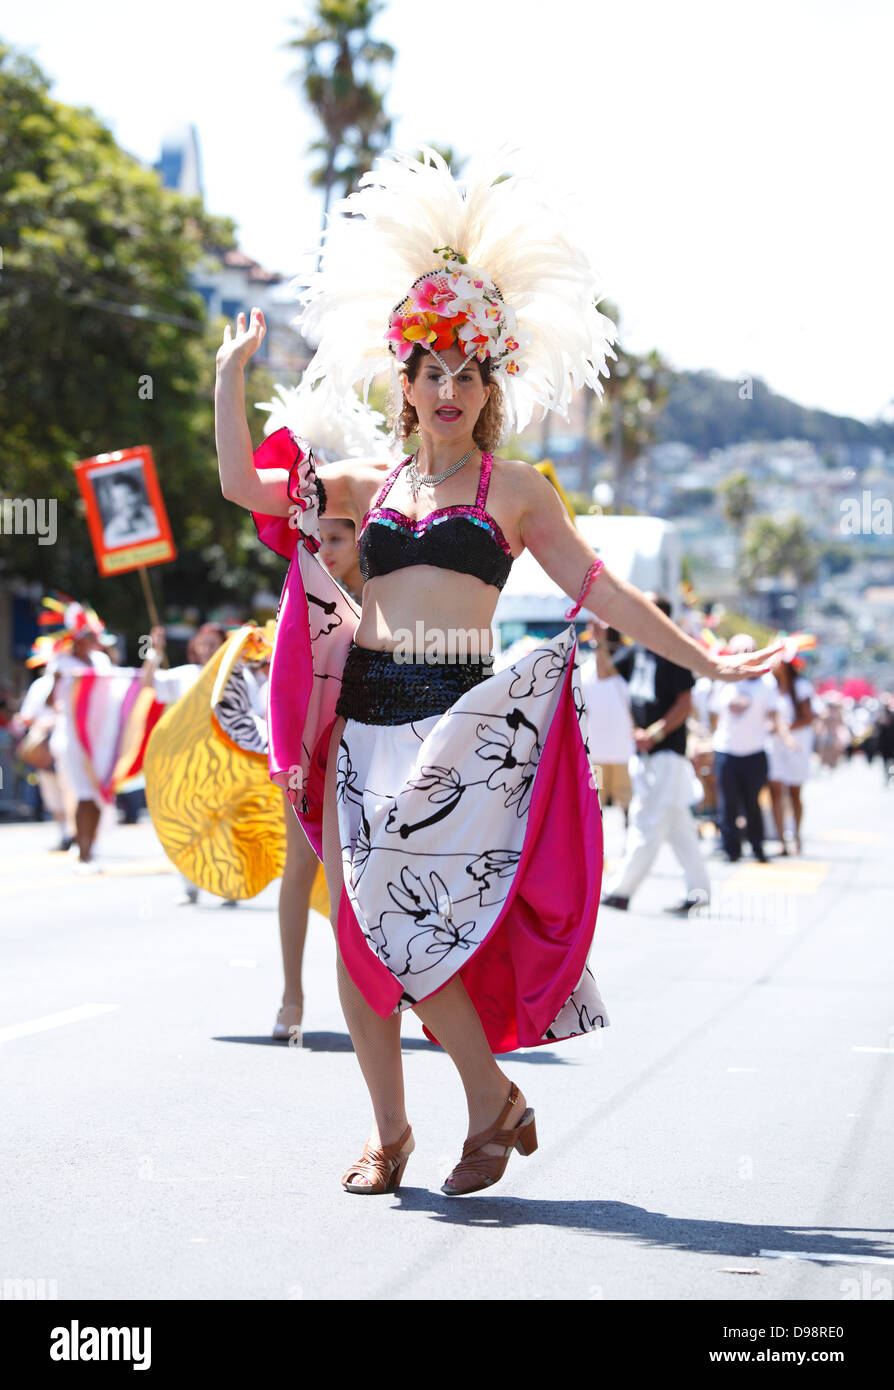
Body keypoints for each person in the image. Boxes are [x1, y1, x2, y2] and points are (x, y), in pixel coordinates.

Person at [215, 149, 781, 1196]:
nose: (447, 389)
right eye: (430, 370)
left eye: (467, 372)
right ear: (406, 379)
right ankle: (396, 1135)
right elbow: (242, 480)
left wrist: (700, 654)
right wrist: (228, 377)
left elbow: (601, 590)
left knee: (404, 915)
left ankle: (490, 1099)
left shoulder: (514, 489)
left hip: (461, 729)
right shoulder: (361, 480)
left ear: (491, 384)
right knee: (362, 938)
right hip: (366, 725)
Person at [599, 593, 714, 916]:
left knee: (646, 821)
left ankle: (621, 890)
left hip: (666, 754)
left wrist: (655, 732)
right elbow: (606, 672)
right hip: (646, 756)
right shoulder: (637, 649)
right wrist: (600, 640)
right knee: (678, 827)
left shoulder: (674, 650)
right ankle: (699, 891)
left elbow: (684, 702)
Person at [707, 634, 788, 863]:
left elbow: (774, 714)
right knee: (728, 803)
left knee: (752, 802)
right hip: (726, 750)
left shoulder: (766, 681)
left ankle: (757, 846)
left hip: (755, 751)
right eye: (739, 652)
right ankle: (731, 848)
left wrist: (782, 733)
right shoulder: (723, 680)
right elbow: (715, 713)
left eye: (748, 650)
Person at [578, 627, 635, 830]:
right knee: (596, 795)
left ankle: (627, 828)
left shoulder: (624, 669)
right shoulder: (585, 672)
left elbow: (606, 672)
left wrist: (601, 641)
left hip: (622, 748)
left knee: (625, 795)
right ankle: (595, 837)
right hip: (596, 751)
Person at [766, 657, 816, 855]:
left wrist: (787, 729)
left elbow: (808, 717)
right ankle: (782, 840)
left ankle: (796, 835)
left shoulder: (801, 686)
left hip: (797, 745)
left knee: (795, 792)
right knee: (776, 791)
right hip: (774, 746)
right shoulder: (770, 686)